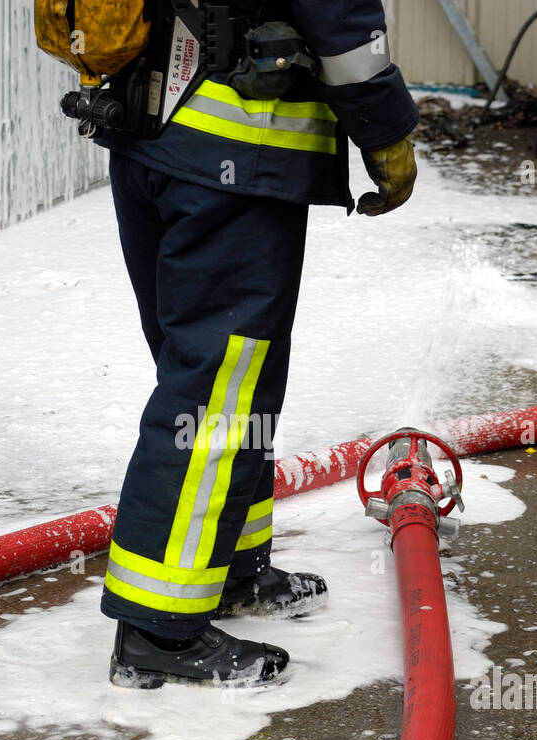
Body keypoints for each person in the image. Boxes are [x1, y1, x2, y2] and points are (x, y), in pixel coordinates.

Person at [95, 1, 421, 689]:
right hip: (232, 154)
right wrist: (388, 132)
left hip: (152, 139)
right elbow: (340, 18)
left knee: (229, 382)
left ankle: (230, 568)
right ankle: (159, 627)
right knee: (215, 388)